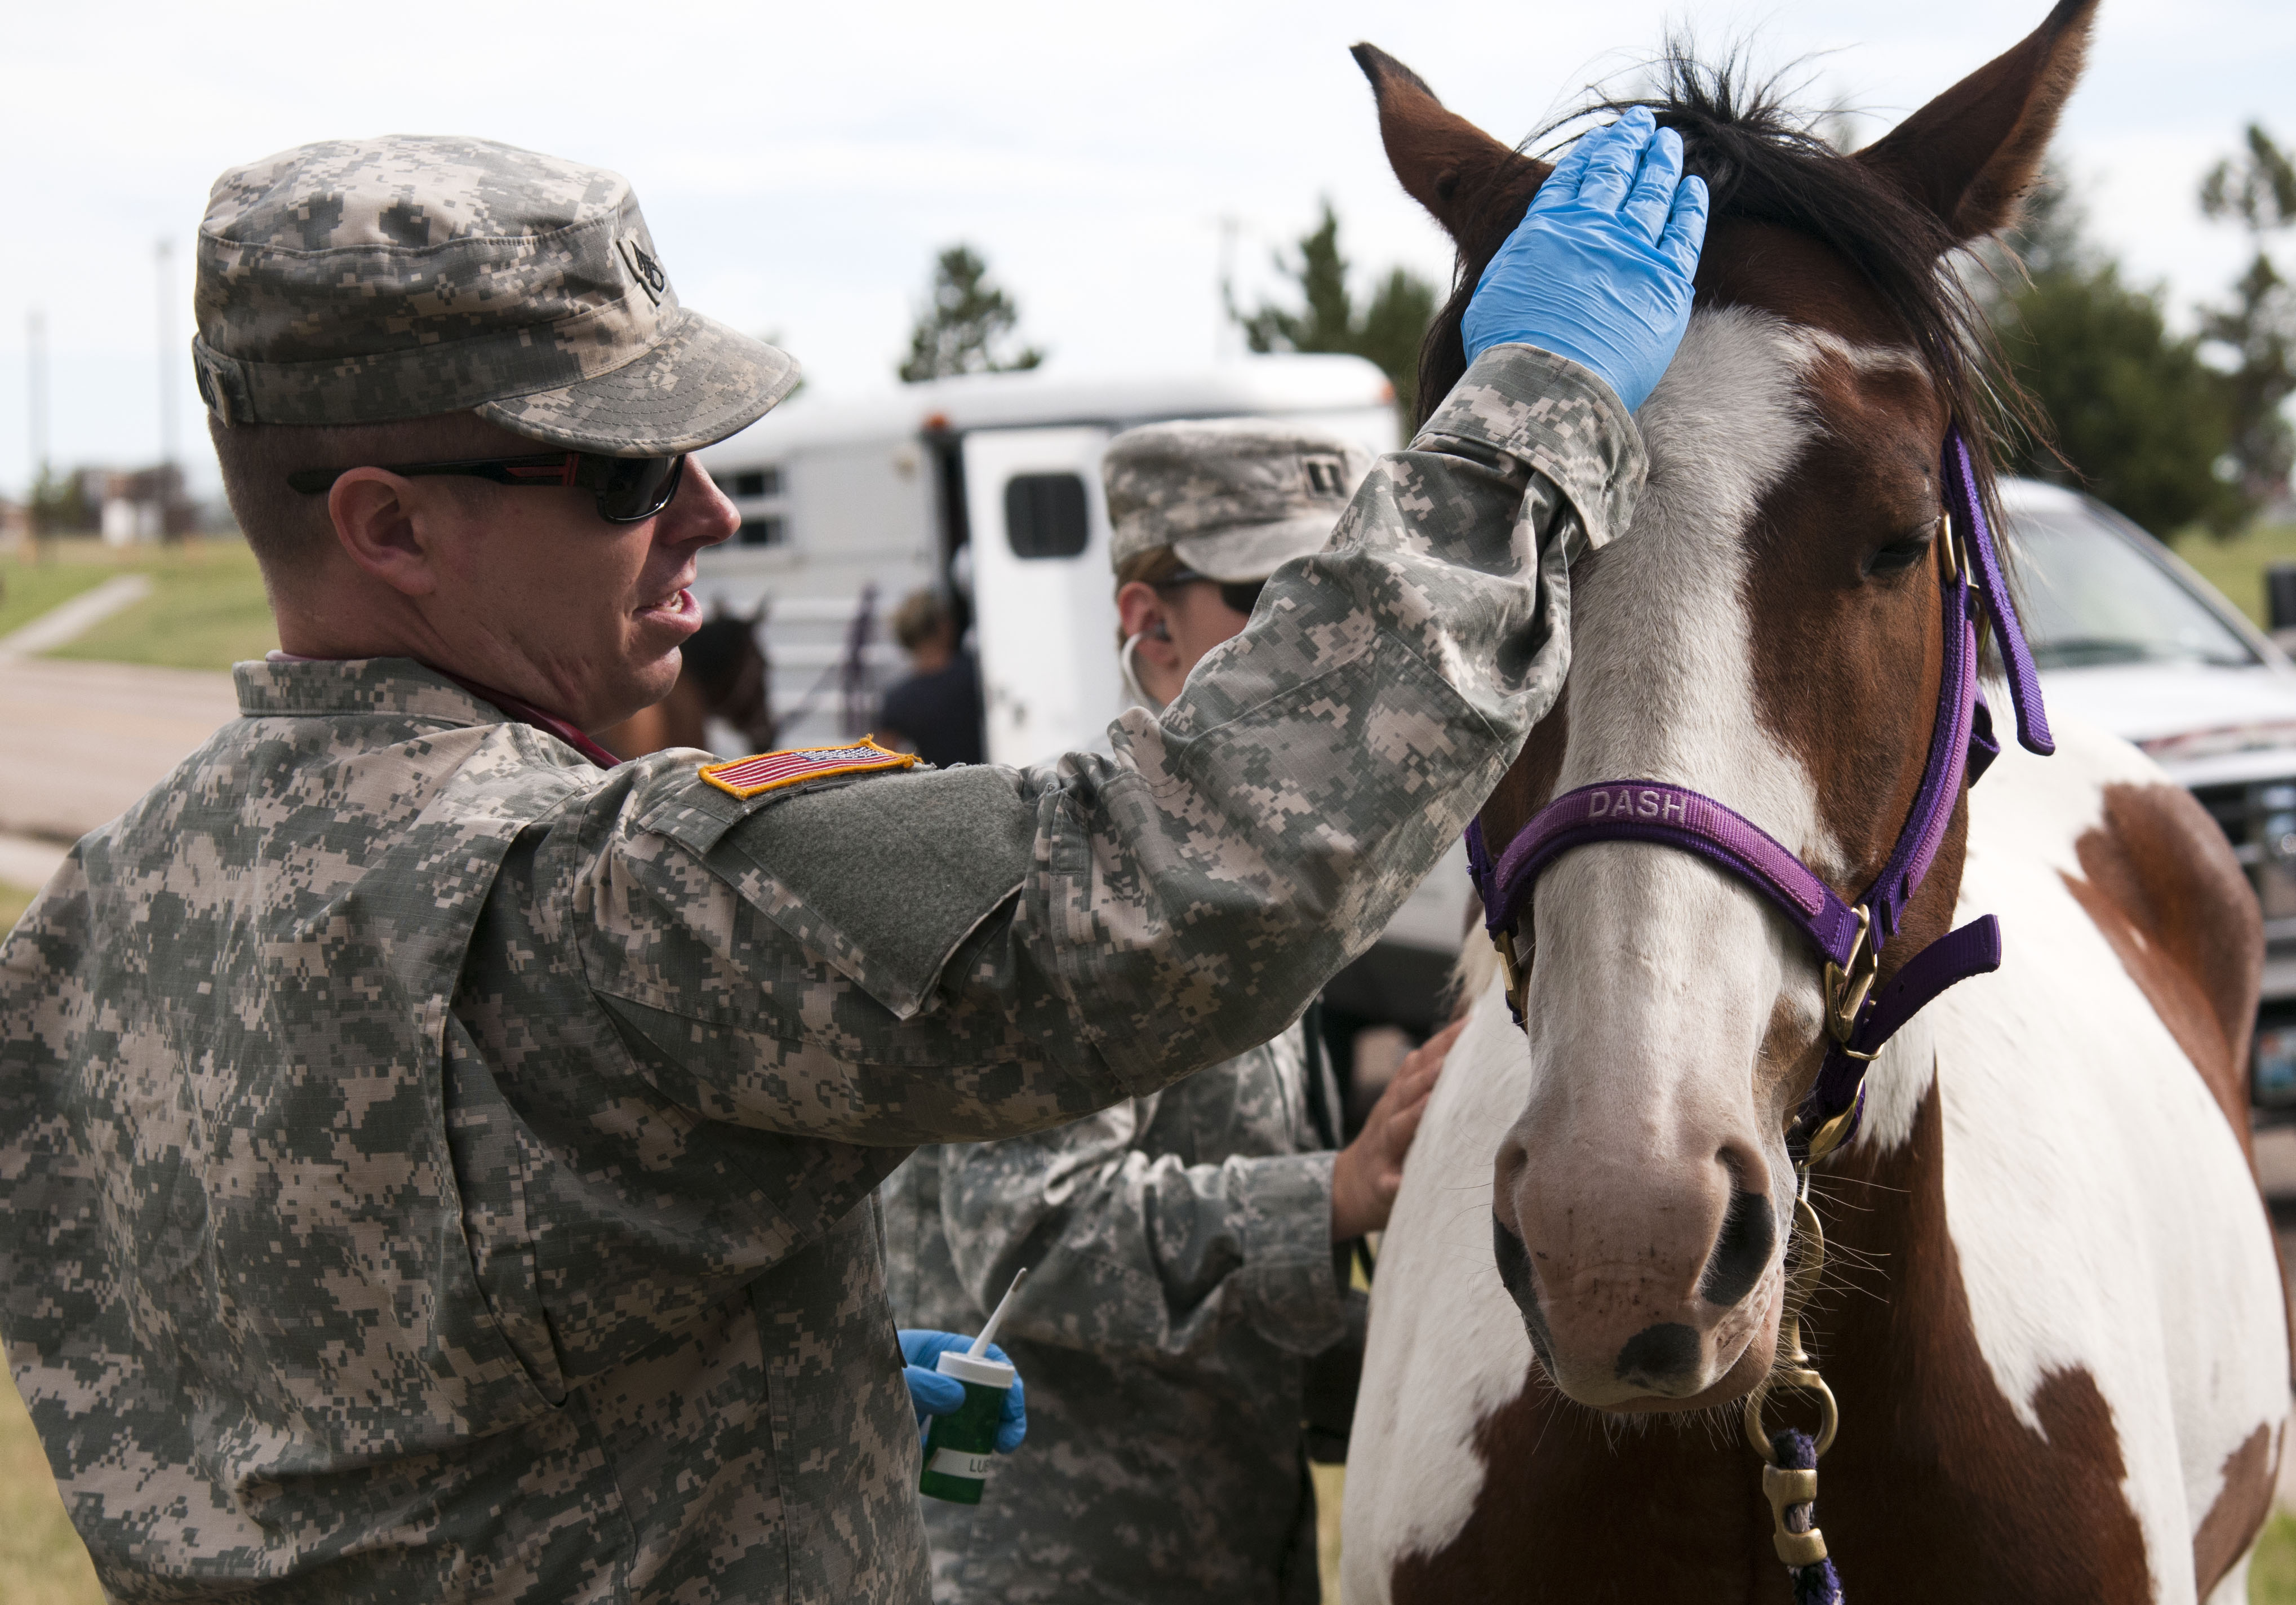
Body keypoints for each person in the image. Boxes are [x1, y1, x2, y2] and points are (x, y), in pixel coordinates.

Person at [0, 110, 1706, 1605]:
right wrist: (1524, 430)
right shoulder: (607, 908)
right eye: (615, 467)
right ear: (388, 525)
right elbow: (1184, 877)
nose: (706, 509)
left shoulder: (85, 934)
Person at [884, 416, 1468, 1604]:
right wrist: (1338, 1191)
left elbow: (1241, 1332)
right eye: (1273, 596)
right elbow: (1032, 1244)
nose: (1323, 641)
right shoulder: (1060, 881)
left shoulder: (1244, 885)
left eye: (1339, 597)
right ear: (1150, 627)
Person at [877, 588, 985, 766]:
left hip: (938, 788)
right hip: (987, 781)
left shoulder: (898, 699)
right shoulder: (975, 674)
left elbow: (886, 765)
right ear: (944, 626)